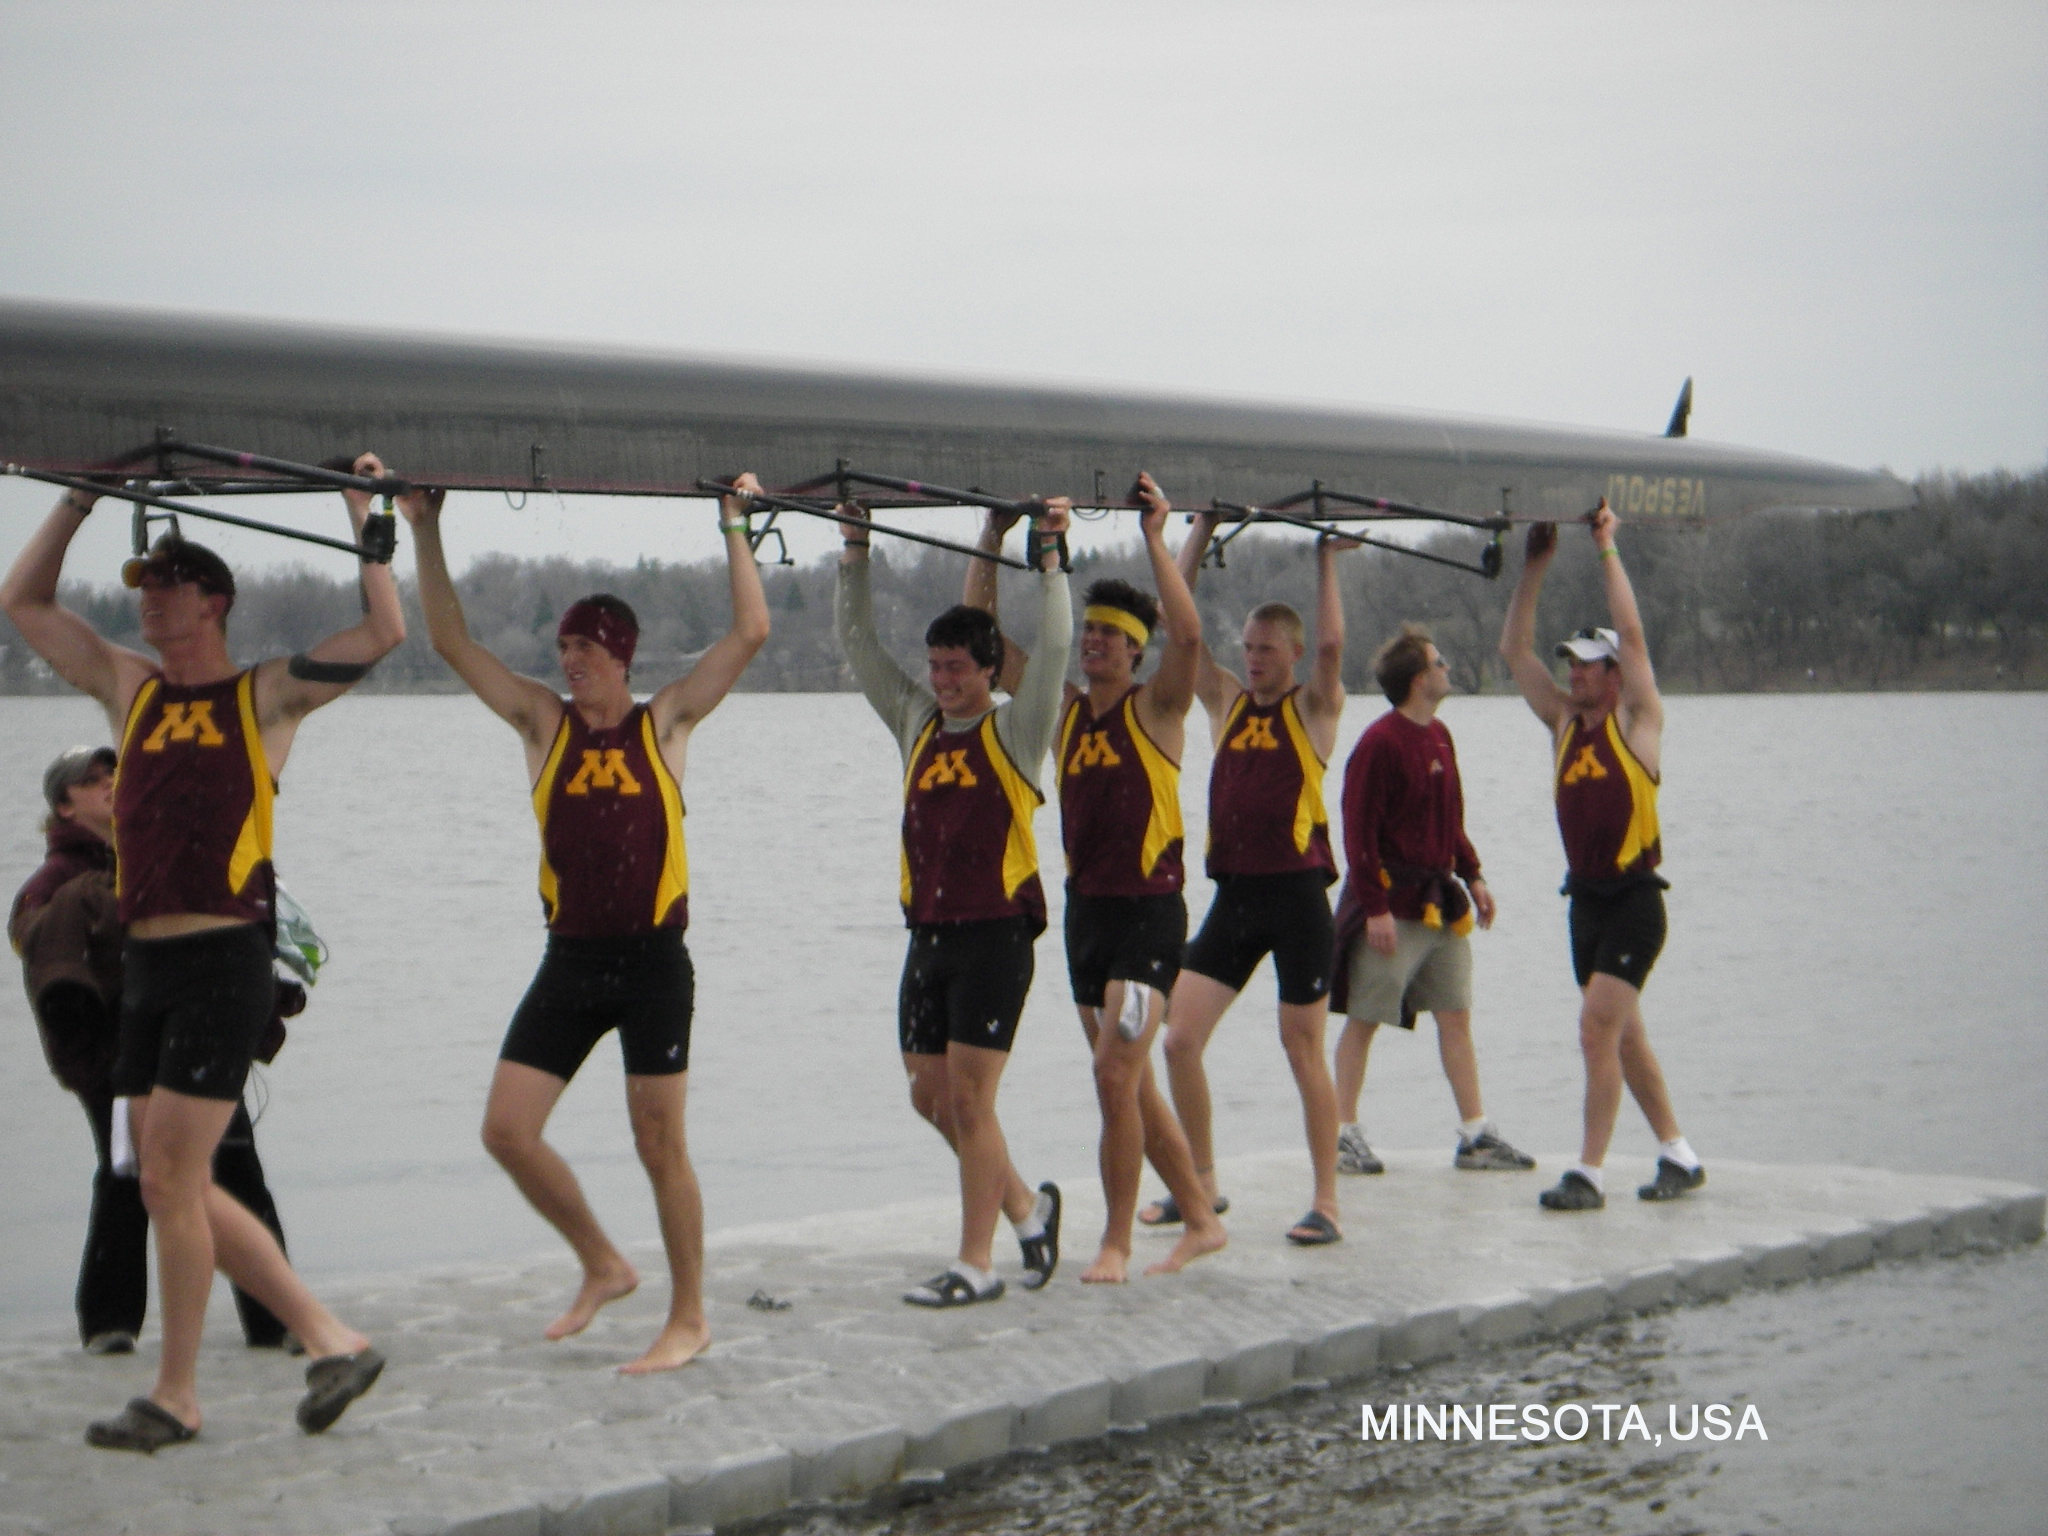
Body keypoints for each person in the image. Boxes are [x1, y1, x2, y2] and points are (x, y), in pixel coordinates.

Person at [0, 461, 403, 1451]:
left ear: (212, 602)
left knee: (172, 1178)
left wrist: (362, 510)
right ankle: (328, 1338)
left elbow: (383, 632)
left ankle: (177, 1396)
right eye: (142, 587)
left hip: (225, 960)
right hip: (145, 970)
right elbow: (23, 602)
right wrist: (82, 497)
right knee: (163, 1181)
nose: (149, 600)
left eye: (167, 586)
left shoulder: (262, 696)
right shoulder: (129, 688)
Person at [400, 475, 769, 1372]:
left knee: (658, 1143)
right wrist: (426, 529)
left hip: (653, 963)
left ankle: (689, 1316)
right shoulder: (541, 724)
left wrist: (734, 525)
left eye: (587, 648)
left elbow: (751, 632)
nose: (571, 661)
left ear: (622, 657)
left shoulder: (666, 724)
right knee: (506, 1131)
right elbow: (450, 641)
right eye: (564, 646)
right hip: (568, 960)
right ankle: (603, 1262)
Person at [963, 474, 1226, 1283]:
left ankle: (1116, 1240)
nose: (1094, 644)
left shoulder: (1159, 709)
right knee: (1131, 1086)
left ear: (1135, 651)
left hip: (1149, 916)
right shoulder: (1066, 710)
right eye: (1091, 633)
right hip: (1086, 917)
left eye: (1110, 636)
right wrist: (991, 538)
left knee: (1113, 1075)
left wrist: (1155, 538)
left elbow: (1188, 637)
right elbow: (983, 639)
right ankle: (1201, 1219)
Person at [836, 495, 1072, 1306]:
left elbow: (1056, 643)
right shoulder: (916, 722)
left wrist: (1049, 560)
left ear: (989, 673)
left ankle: (976, 1265)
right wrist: (855, 549)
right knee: (929, 1097)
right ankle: (1027, 1208)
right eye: (935, 667)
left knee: (972, 1101)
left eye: (957, 670)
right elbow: (859, 645)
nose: (941, 682)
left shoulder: (1017, 731)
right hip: (928, 937)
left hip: (996, 937)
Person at [11, 746, 297, 1357]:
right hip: (113, 1054)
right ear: (64, 805)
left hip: (193, 1034)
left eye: (114, 773)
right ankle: (109, 1324)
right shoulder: (53, 882)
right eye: (91, 780)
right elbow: (39, 954)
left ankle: (277, 1318)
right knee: (126, 1175)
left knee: (236, 1167)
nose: (110, 784)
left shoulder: (155, 852)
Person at [1145, 516, 1356, 1246]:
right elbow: (1178, 625)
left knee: (1302, 1049)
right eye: (1249, 647)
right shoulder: (1227, 701)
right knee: (1178, 1040)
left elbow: (1332, 648)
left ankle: (1326, 1200)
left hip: (1298, 901)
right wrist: (1195, 531)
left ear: (1292, 654)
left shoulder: (1313, 707)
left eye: (1267, 649)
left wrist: (1327, 561)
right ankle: (1201, 1184)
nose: (1254, 658)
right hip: (1235, 897)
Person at [1497, 502, 1704, 1210]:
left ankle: (1588, 1172)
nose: (1575, 674)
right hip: (1583, 903)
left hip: (1635, 903)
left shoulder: (1638, 722)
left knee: (1595, 1029)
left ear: (1616, 674)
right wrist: (1534, 567)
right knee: (1622, 1036)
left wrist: (1607, 548)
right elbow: (1514, 652)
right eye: (1573, 665)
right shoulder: (1562, 722)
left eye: (1588, 665)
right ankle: (1678, 1154)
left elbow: (1636, 637)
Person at [1327, 626, 1535, 1178]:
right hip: (1390, 907)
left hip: (1440, 903)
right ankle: (1342, 1134)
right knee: (1365, 1018)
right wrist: (1374, 908)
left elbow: (1451, 821)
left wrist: (1474, 876)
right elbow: (1357, 832)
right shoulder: (1379, 743)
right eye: (1439, 663)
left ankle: (1475, 1134)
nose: (1447, 669)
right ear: (1419, 679)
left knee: (1455, 1014)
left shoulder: (1440, 735)